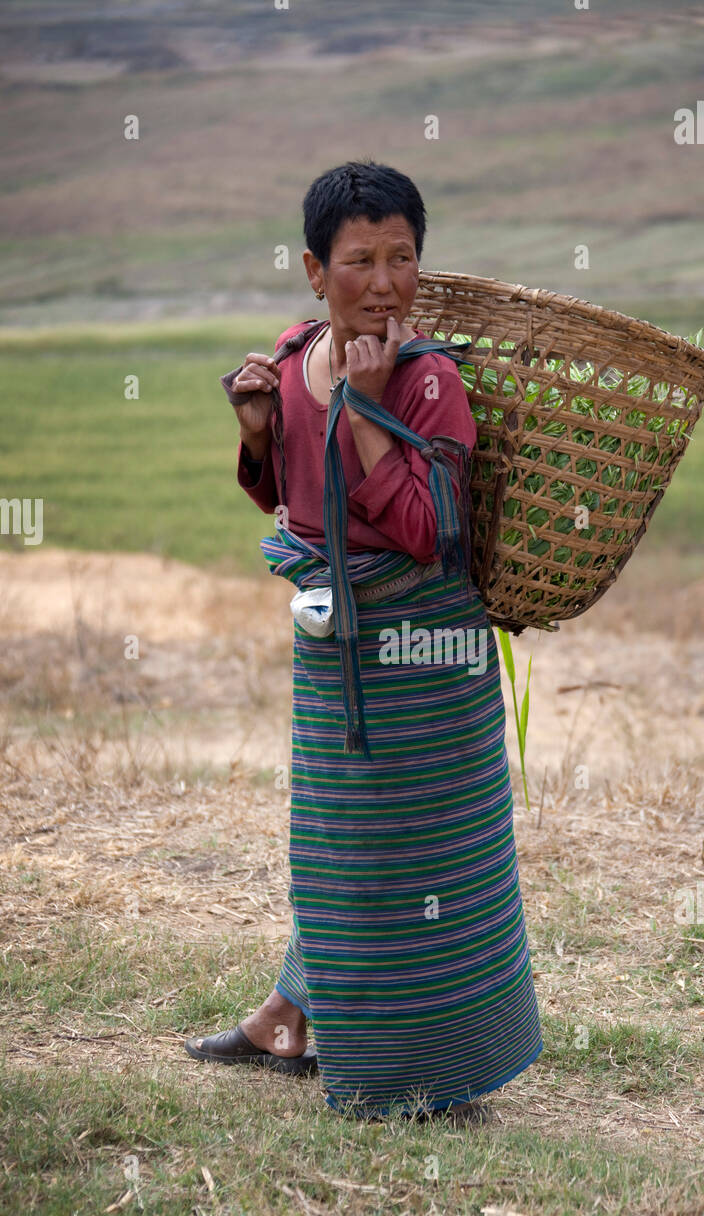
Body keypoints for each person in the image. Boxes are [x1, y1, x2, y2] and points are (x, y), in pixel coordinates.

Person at [185, 159, 543, 1120]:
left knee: (423, 859)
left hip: (426, 661)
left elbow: (434, 534)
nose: (384, 282)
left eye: (402, 259)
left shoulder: (428, 385)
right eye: (359, 262)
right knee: (339, 847)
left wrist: (375, 411)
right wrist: (259, 436)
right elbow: (298, 503)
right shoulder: (297, 356)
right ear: (313, 270)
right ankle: (290, 1020)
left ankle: (430, 1070)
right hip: (334, 647)